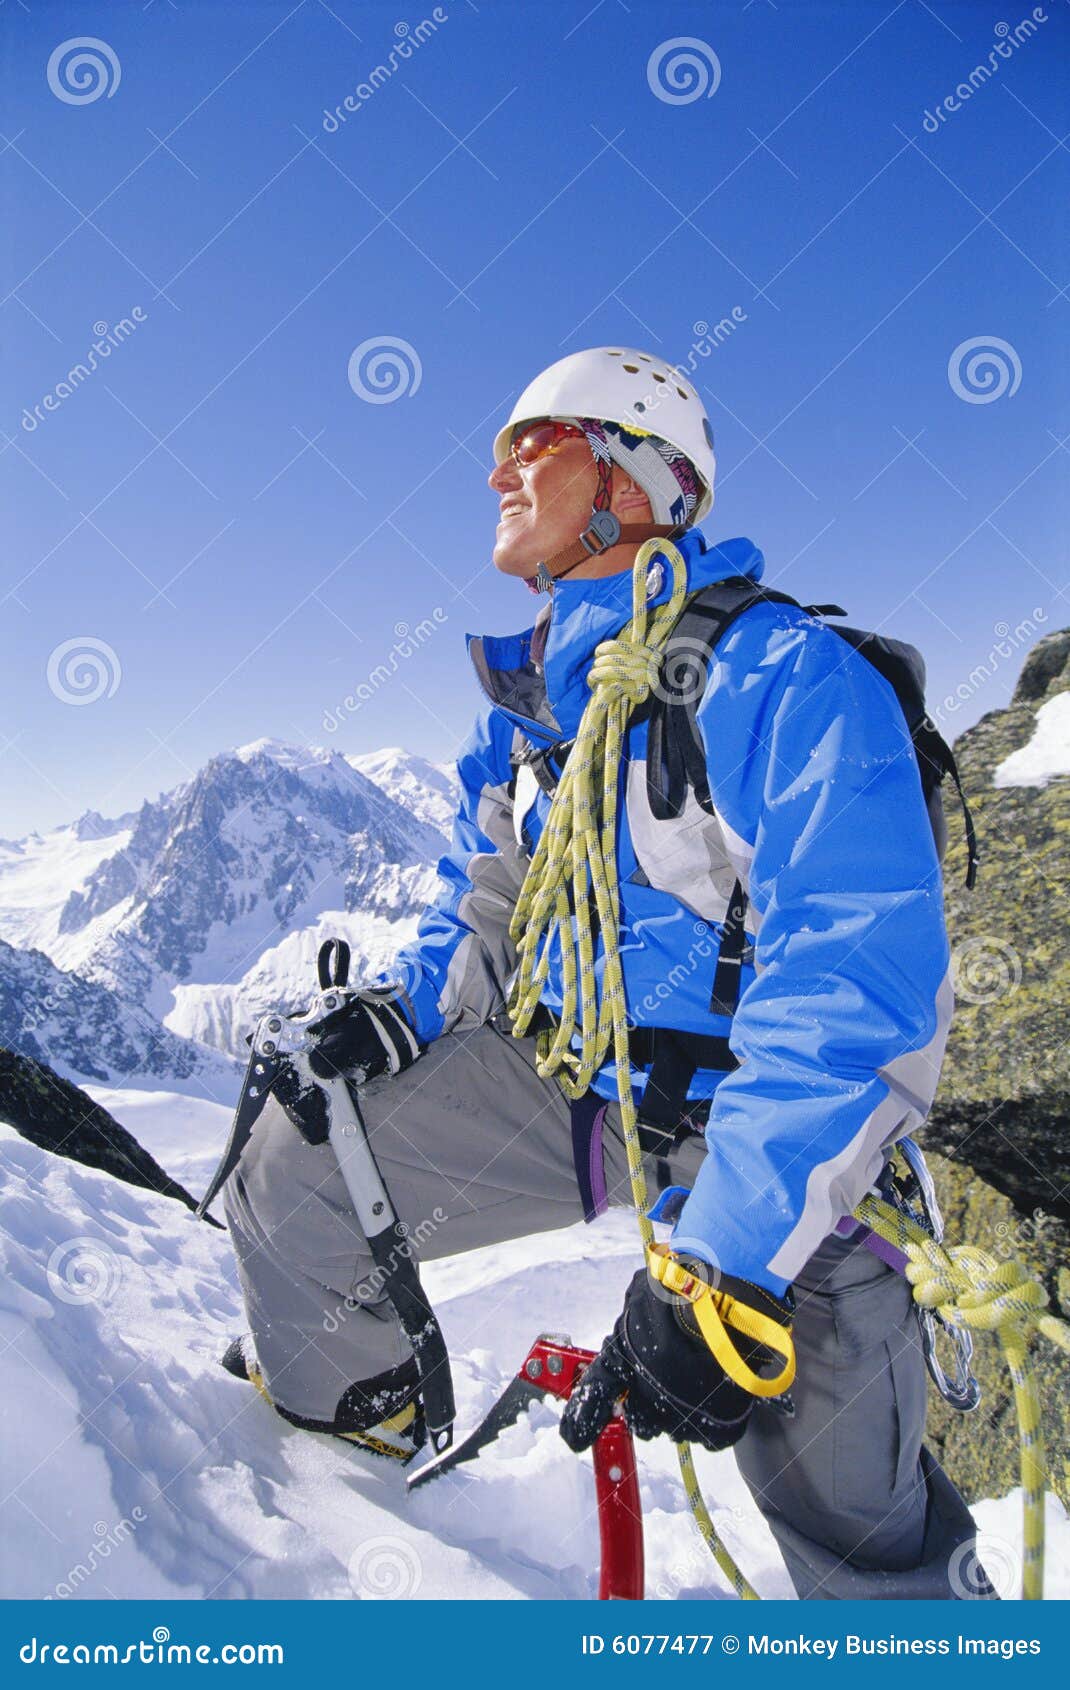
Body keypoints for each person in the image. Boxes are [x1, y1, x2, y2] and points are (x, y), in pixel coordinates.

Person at [220, 347, 986, 1598]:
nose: (497, 471)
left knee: (850, 1520)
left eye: (534, 444)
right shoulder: (525, 711)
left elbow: (852, 983)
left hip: (761, 1123)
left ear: (634, 480)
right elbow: (480, 899)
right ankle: (354, 1490)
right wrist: (393, 1016)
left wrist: (725, 1264)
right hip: (575, 1087)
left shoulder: (780, 675)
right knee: (299, 1166)